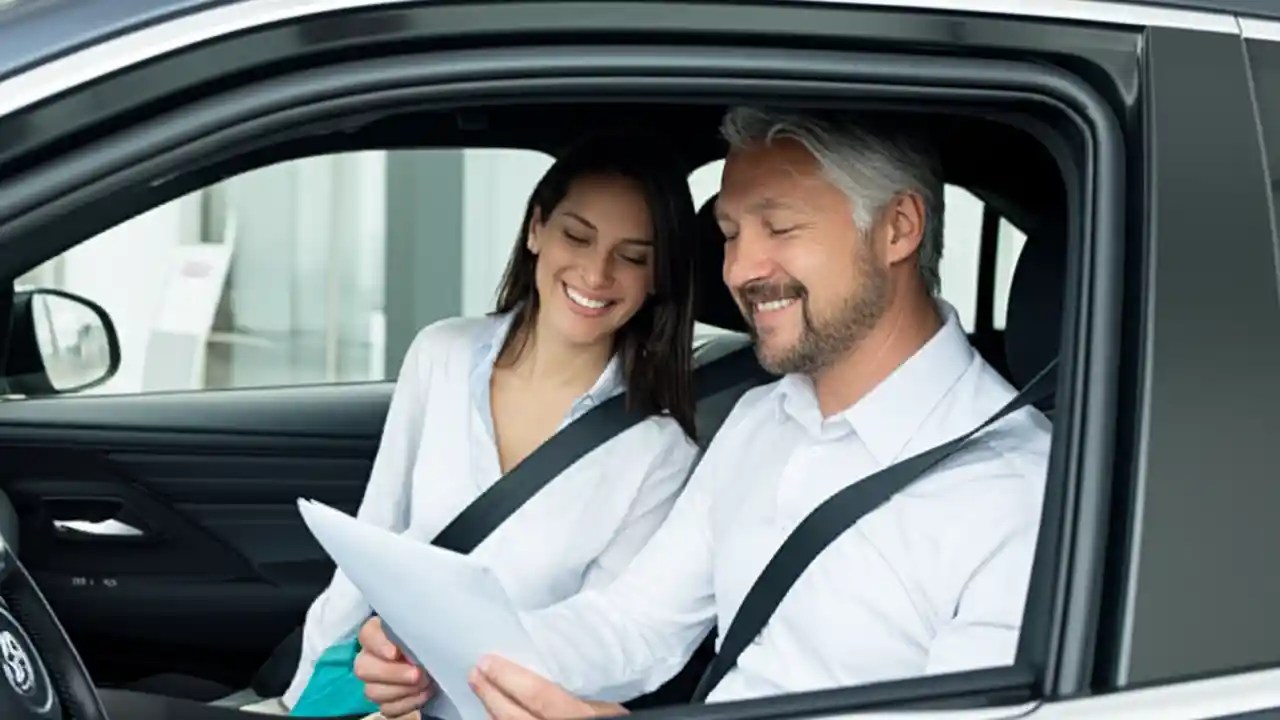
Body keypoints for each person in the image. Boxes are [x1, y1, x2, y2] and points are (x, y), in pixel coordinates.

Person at [352, 106, 1053, 719]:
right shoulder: (762, 419)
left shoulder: (1014, 494)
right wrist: (443, 649)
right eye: (729, 233)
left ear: (897, 228)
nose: (740, 269)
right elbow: (636, 626)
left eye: (778, 227)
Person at [244, 131, 703, 717]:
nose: (596, 272)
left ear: (657, 276)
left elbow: (607, 642)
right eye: (577, 237)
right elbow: (376, 534)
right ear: (536, 228)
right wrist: (301, 698)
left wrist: (457, 671)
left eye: (632, 257)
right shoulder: (442, 354)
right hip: (369, 694)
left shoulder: (657, 449)